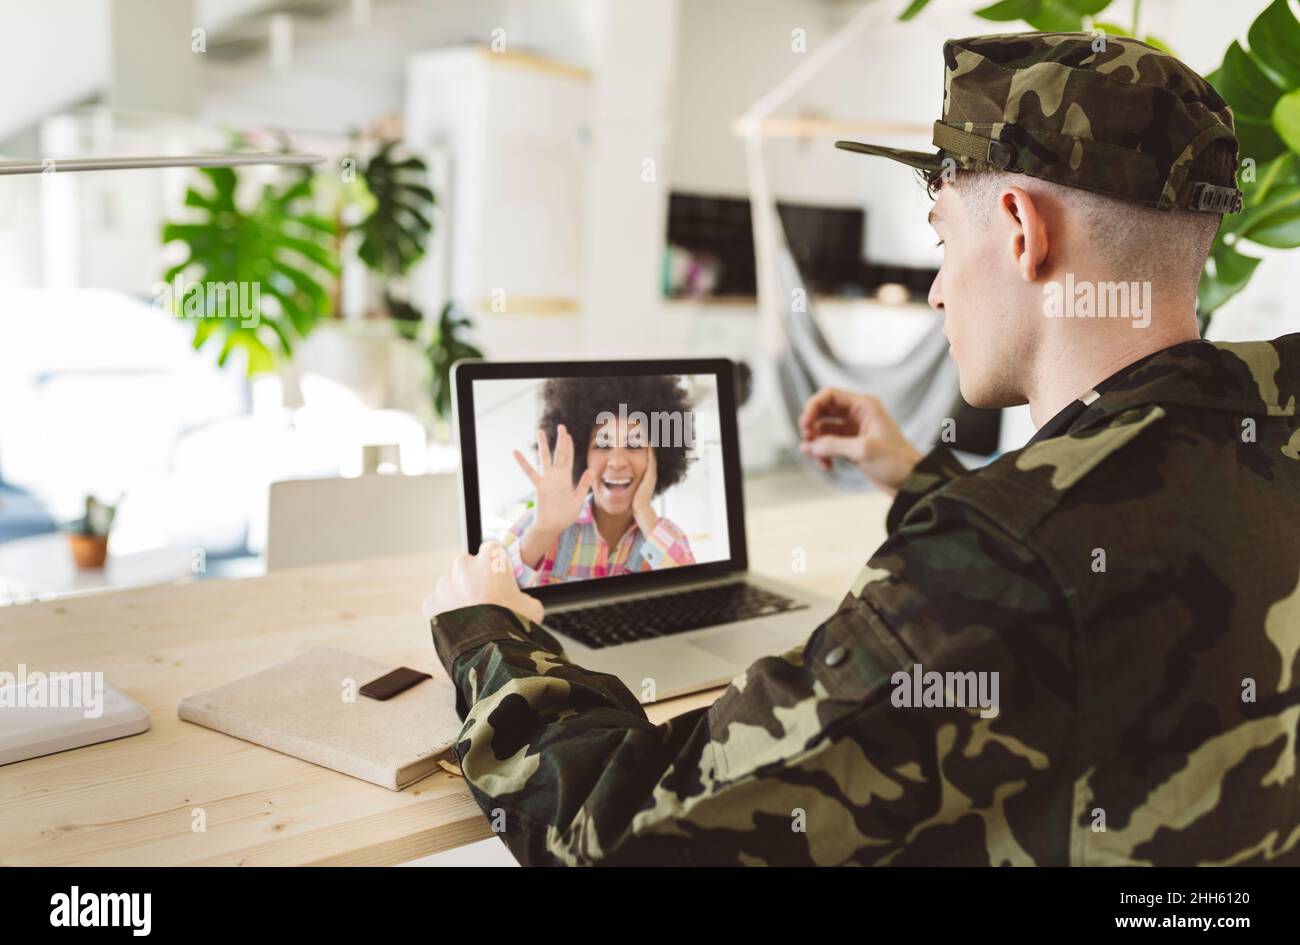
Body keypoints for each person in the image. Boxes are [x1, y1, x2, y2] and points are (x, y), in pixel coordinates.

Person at [421, 33, 1300, 865]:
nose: (937, 291)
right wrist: (917, 477)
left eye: (943, 240)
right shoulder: (1271, 417)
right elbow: (1107, 542)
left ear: (1023, 232)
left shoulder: (989, 562)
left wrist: (487, 634)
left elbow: (617, 837)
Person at [501, 375, 697, 585]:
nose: (617, 462)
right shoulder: (539, 522)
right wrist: (543, 531)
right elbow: (488, 598)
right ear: (582, 454)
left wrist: (643, 512)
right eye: (602, 445)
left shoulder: (665, 536)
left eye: (634, 445)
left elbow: (698, 596)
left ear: (658, 457)